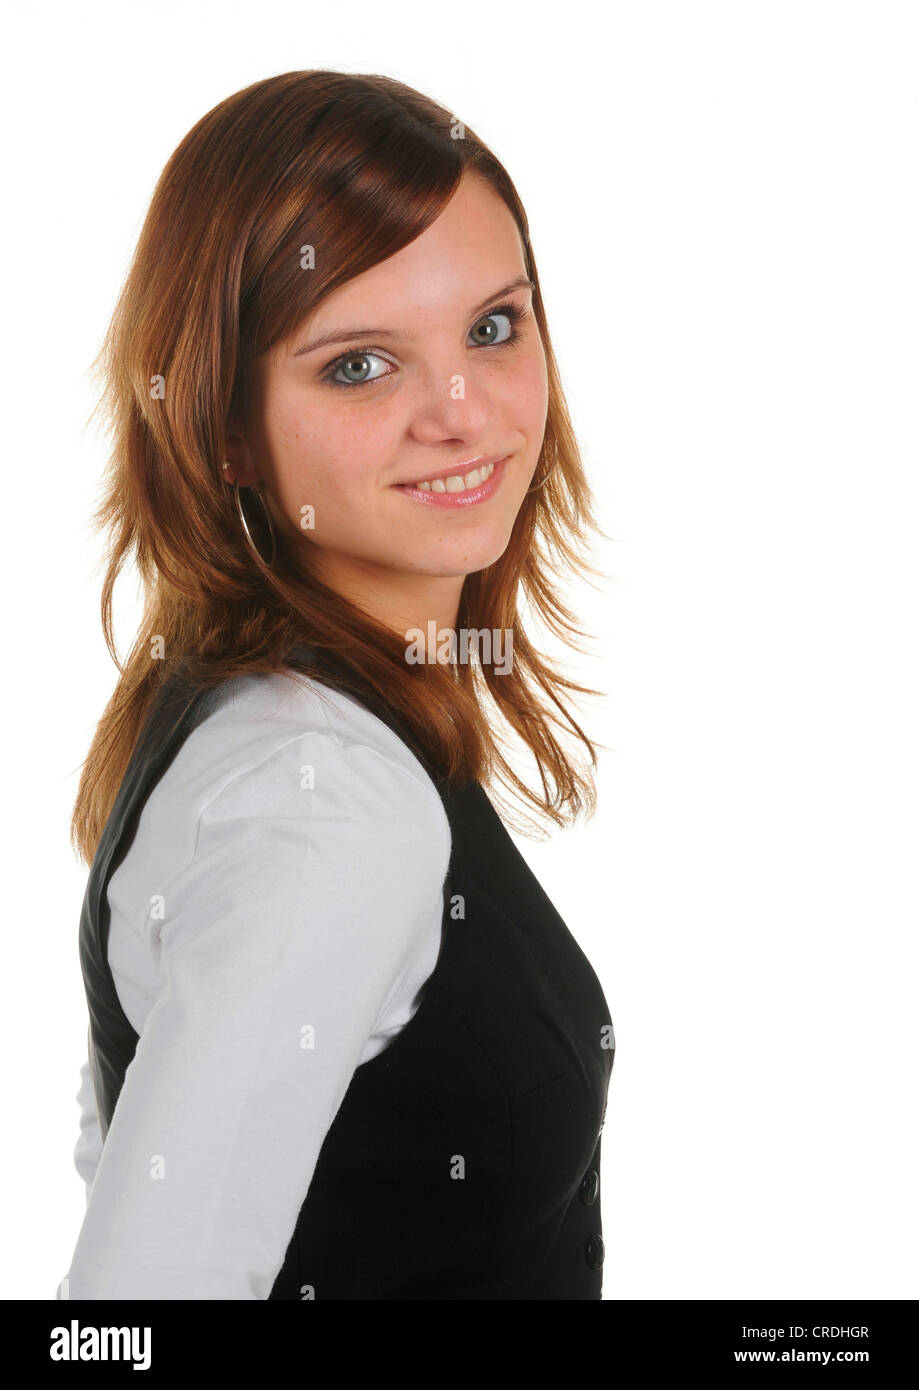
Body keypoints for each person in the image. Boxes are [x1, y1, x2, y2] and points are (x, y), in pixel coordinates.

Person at [61, 69, 616, 1300]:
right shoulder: (325, 806)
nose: (462, 414)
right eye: (361, 365)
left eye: (492, 326)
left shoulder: (260, 715)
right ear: (224, 429)